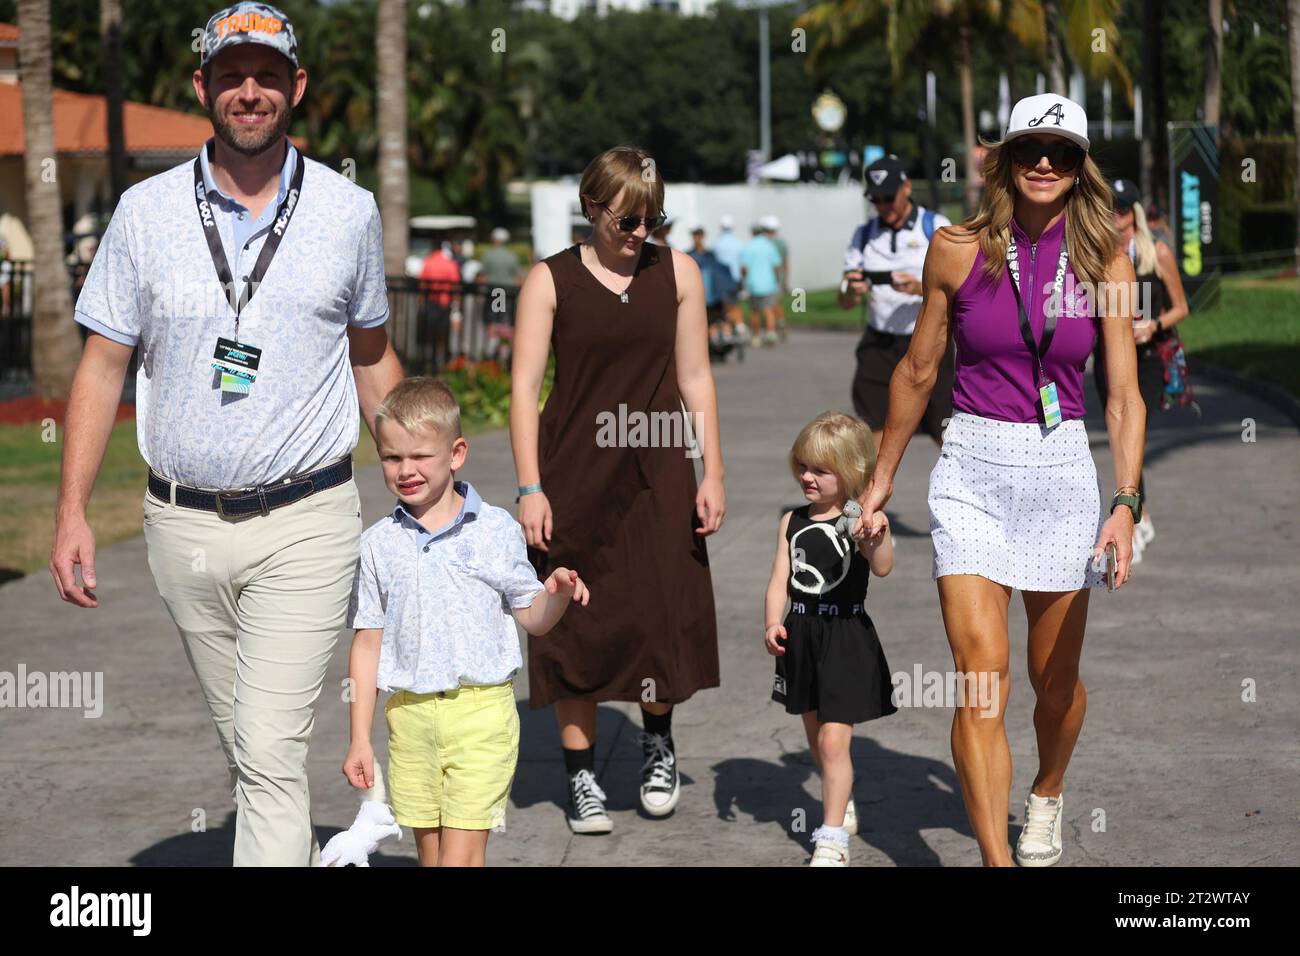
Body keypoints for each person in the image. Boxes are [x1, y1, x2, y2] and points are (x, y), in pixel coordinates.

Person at [49, 2, 405, 866]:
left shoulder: (349, 212)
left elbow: (372, 358)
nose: (252, 91)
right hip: (182, 529)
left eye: (270, 75)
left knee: (271, 752)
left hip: (309, 522)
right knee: (249, 747)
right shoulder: (143, 212)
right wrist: (71, 512)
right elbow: (101, 367)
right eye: (233, 75)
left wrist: (427, 487)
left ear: (298, 86)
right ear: (204, 86)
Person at [857, 93, 1146, 867]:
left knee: (1056, 685)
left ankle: (1047, 792)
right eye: (1029, 148)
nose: (1044, 162)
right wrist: (881, 475)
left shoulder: (1107, 261)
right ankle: (996, 860)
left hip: (1061, 474)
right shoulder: (955, 249)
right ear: (1004, 159)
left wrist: (1125, 503)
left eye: (1061, 150)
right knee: (981, 680)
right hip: (972, 471)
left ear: (1081, 166)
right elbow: (919, 370)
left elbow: (1121, 395)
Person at [510, 146, 725, 833]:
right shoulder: (550, 281)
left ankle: (657, 742)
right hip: (572, 471)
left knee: (659, 607)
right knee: (575, 619)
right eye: (627, 220)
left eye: (652, 220)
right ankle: (581, 779)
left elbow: (695, 379)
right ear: (592, 208)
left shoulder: (678, 273)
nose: (640, 234)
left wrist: (711, 471)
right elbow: (522, 391)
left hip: (660, 470)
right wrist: (529, 486)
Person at [342, 377, 589, 866]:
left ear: (456, 453)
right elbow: (367, 644)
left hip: (481, 716)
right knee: (432, 861)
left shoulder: (496, 528)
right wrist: (358, 738)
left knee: (458, 861)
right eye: (392, 458)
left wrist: (554, 593)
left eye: (420, 457)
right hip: (408, 719)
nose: (406, 470)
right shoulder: (376, 544)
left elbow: (534, 619)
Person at [764, 411, 896, 867]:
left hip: (845, 636)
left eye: (820, 470)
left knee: (833, 744)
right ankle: (839, 796)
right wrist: (771, 622)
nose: (807, 477)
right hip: (801, 634)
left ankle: (832, 836)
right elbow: (779, 580)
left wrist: (874, 537)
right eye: (803, 465)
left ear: (851, 471)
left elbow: (882, 567)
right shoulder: (791, 521)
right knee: (817, 738)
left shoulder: (865, 520)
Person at [1096, 179, 1188, 563]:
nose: (1114, 216)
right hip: (1110, 357)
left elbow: (1181, 306)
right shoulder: (1099, 255)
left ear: (1134, 213)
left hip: (1147, 358)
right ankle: (1138, 513)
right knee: (1117, 437)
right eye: (1109, 209)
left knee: (1133, 434)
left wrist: (1153, 326)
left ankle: (1133, 514)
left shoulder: (1156, 253)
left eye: (1121, 209)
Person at [839, 154, 953, 452]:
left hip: (928, 340)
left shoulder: (935, 226)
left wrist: (918, 288)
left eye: (888, 197)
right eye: (875, 199)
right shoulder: (863, 235)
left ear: (906, 188)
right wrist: (853, 291)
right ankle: (871, 497)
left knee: (944, 426)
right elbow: (845, 301)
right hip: (880, 342)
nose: (882, 205)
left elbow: (959, 289)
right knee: (873, 427)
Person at [687, 225, 740, 360]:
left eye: (700, 235)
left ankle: (719, 344)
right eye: (695, 235)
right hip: (698, 296)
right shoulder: (688, 255)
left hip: (714, 295)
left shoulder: (711, 255)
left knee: (718, 320)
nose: (698, 238)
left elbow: (721, 272)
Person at [418, 241, 461, 371]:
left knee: (429, 331)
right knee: (443, 333)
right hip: (444, 302)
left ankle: (428, 360)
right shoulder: (450, 264)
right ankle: (440, 361)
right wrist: (457, 304)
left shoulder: (428, 261)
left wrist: (421, 301)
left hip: (431, 301)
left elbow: (422, 283)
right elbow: (456, 285)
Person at [740, 221, 783, 347]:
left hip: (753, 284)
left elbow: (744, 268)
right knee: (769, 310)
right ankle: (770, 334)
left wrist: (744, 278)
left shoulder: (748, 247)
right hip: (768, 283)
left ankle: (756, 337)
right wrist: (776, 279)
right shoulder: (769, 246)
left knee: (755, 312)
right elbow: (777, 265)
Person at [712, 214, 745, 334]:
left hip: (721, 280)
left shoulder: (716, 244)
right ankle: (740, 325)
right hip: (736, 279)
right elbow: (742, 265)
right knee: (734, 303)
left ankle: (727, 329)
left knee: (722, 305)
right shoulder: (739, 244)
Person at [763, 215, 791, 342]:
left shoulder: (764, 242)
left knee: (769, 305)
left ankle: (772, 329)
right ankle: (780, 321)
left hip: (766, 278)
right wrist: (785, 280)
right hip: (777, 278)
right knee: (775, 302)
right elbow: (786, 263)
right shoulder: (781, 242)